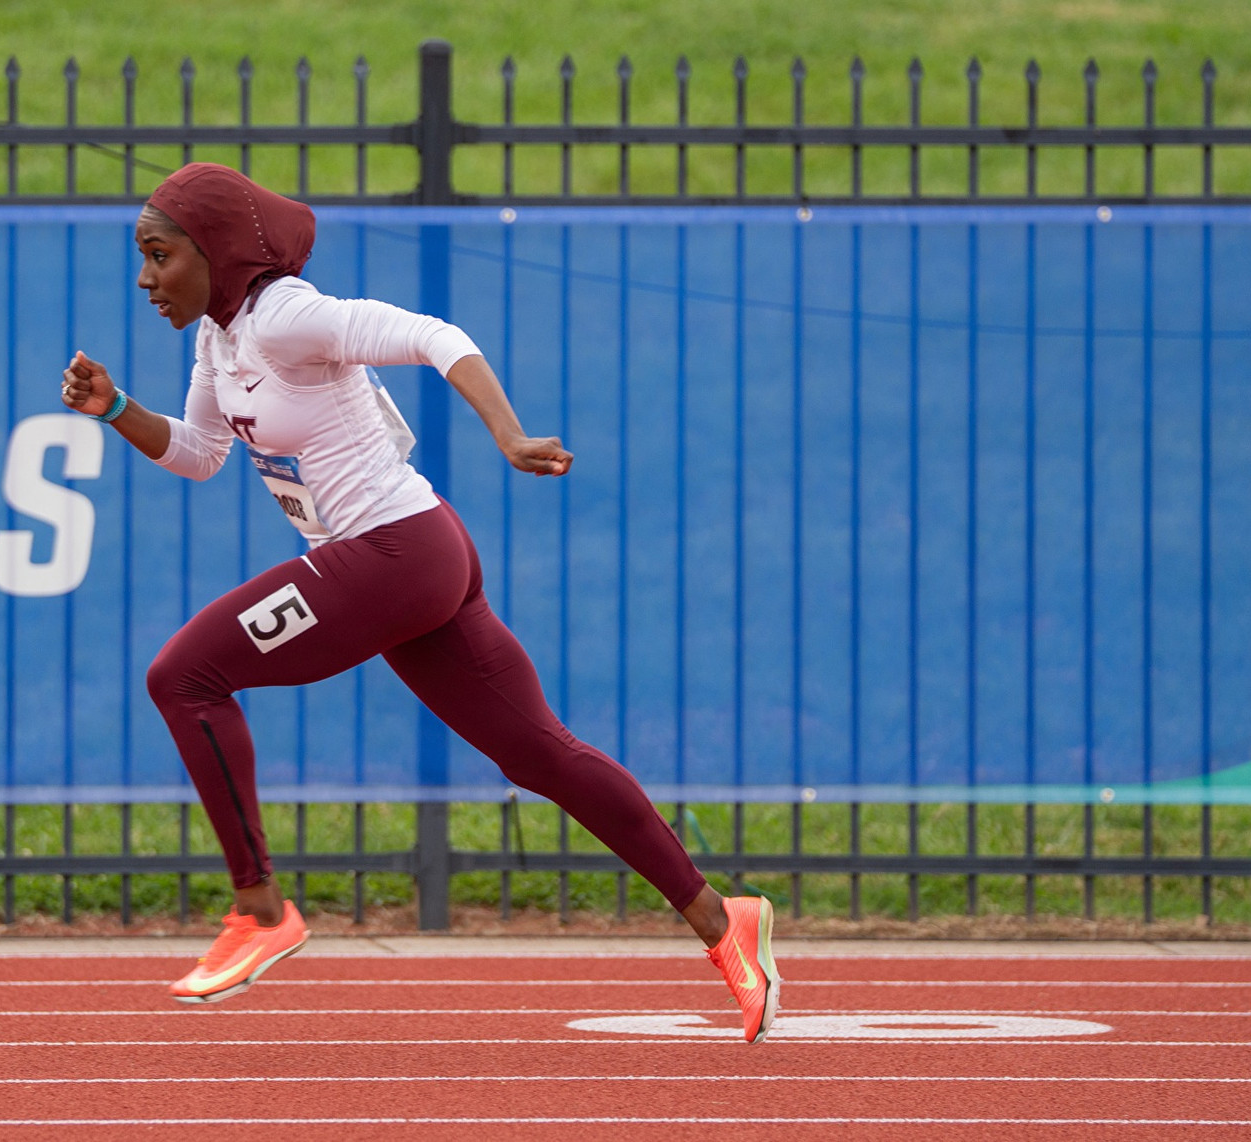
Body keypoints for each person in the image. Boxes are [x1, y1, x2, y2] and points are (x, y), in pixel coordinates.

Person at [60, 163, 780, 1042]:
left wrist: (508, 434)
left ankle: (258, 908)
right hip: (412, 560)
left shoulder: (288, 314)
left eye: (158, 255)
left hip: (395, 555)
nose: (144, 279)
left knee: (185, 676)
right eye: (141, 258)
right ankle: (722, 920)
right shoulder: (219, 342)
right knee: (541, 756)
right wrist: (115, 407)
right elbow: (201, 452)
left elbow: (438, 336)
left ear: (214, 252)